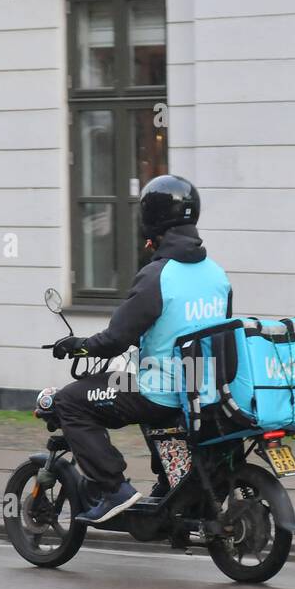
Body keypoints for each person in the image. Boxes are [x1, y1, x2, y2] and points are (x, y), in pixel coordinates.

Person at [52, 174, 232, 524]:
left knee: (71, 400)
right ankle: (169, 484)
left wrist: (80, 347)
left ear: (150, 222)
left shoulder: (157, 275)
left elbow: (116, 339)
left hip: (160, 389)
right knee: (136, 387)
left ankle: (114, 489)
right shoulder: (216, 274)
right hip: (201, 388)